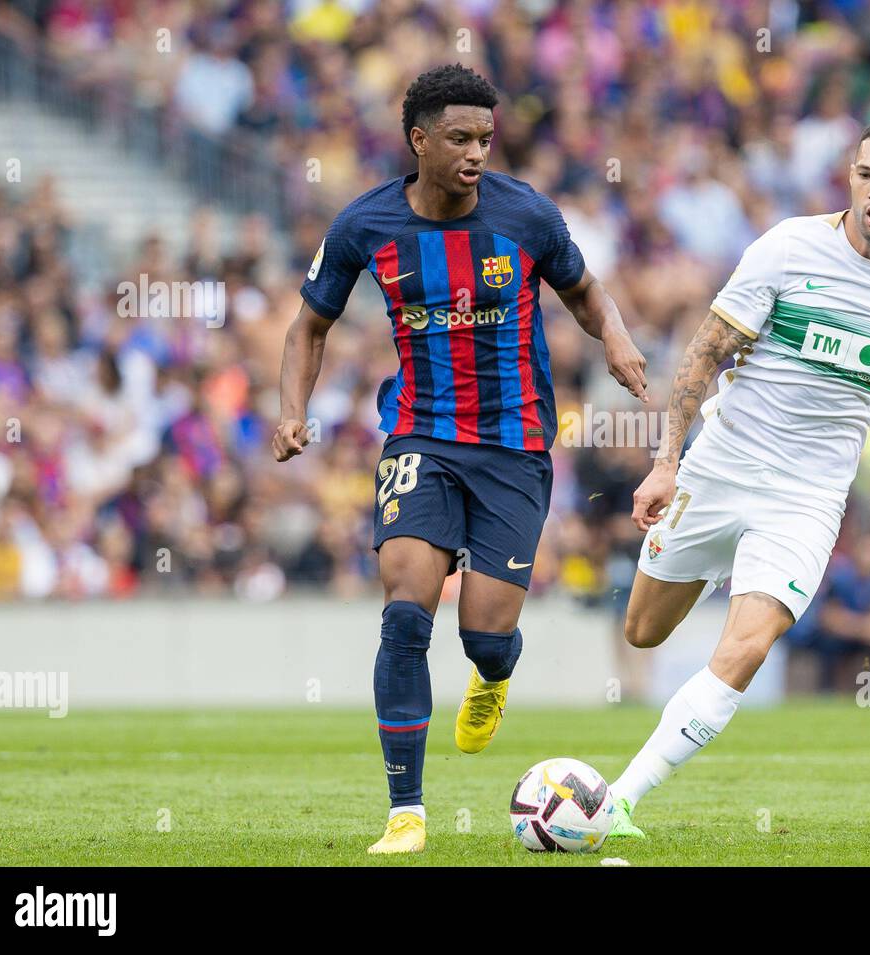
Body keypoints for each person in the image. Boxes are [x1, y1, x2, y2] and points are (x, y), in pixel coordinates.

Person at [273, 64, 646, 854]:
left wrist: (613, 338)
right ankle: (405, 811)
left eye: (485, 137)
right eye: (460, 138)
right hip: (420, 437)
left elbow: (584, 291)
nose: (477, 152)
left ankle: (494, 673)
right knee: (406, 608)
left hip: (514, 447)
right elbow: (309, 328)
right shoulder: (362, 226)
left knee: (483, 632)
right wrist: (293, 411)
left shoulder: (526, 216)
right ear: (419, 141)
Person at [606, 120, 870, 839]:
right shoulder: (788, 248)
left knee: (748, 646)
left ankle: (621, 799)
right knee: (642, 632)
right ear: (848, 176)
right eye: (865, 174)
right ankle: (718, 556)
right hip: (724, 465)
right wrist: (666, 462)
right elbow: (706, 352)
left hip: (807, 498)